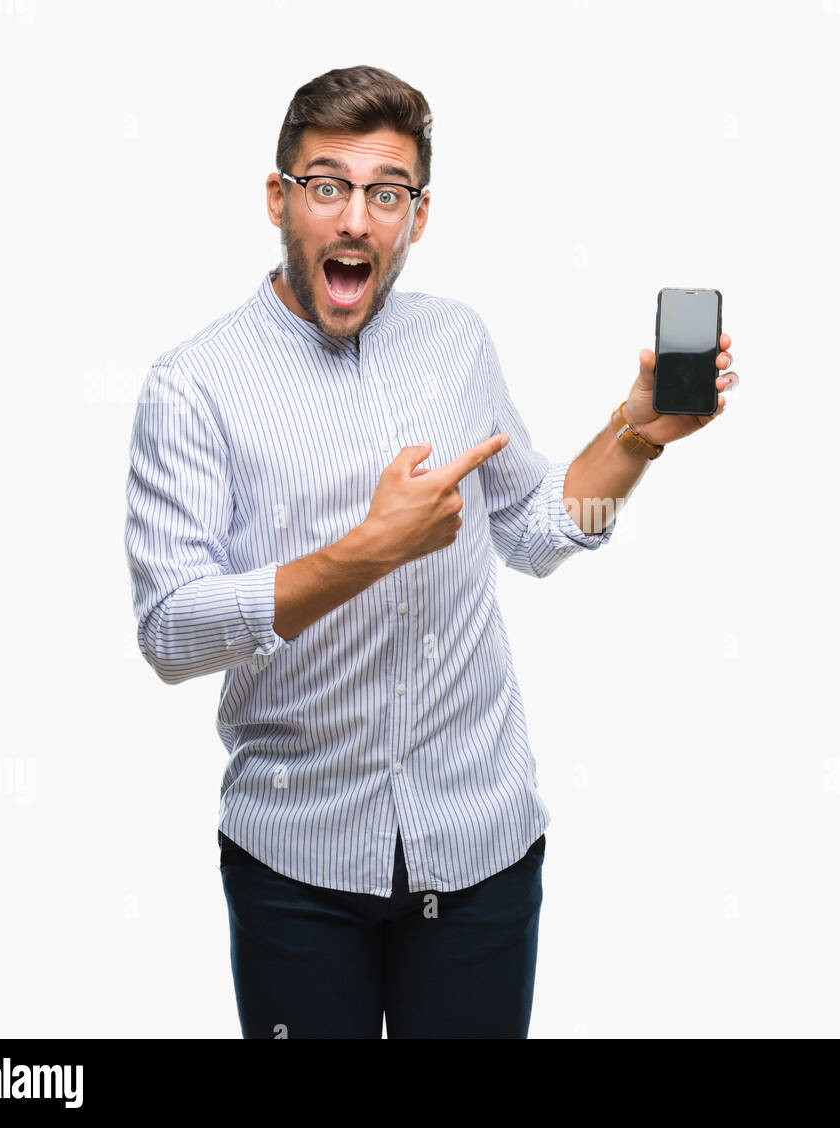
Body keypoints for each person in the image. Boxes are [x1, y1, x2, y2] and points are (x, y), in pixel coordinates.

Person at [123, 64, 738, 1038]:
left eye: (386, 192)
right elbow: (170, 632)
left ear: (417, 216)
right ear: (279, 197)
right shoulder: (192, 388)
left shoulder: (456, 342)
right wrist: (367, 551)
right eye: (327, 185)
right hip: (298, 864)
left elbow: (535, 527)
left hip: (480, 849)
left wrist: (632, 438)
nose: (355, 219)